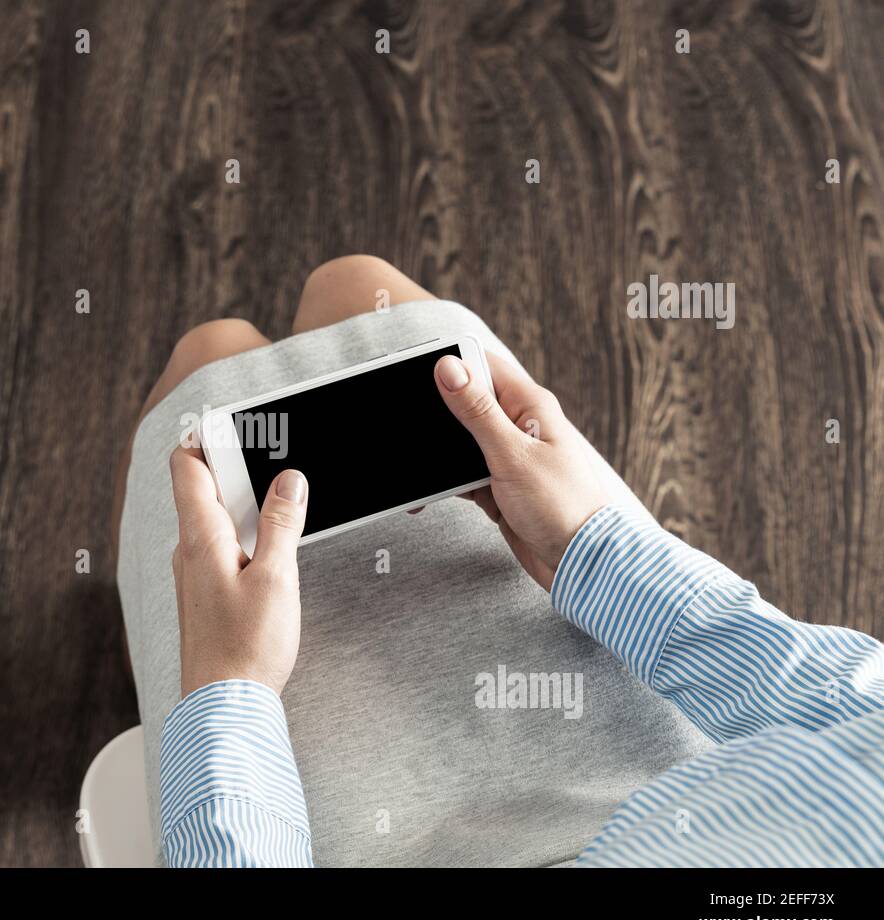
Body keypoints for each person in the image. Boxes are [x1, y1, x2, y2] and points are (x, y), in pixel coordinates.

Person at [117, 257, 877, 866]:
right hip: (672, 789)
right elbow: (843, 703)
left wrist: (228, 691)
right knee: (352, 286)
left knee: (209, 354)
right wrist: (592, 547)